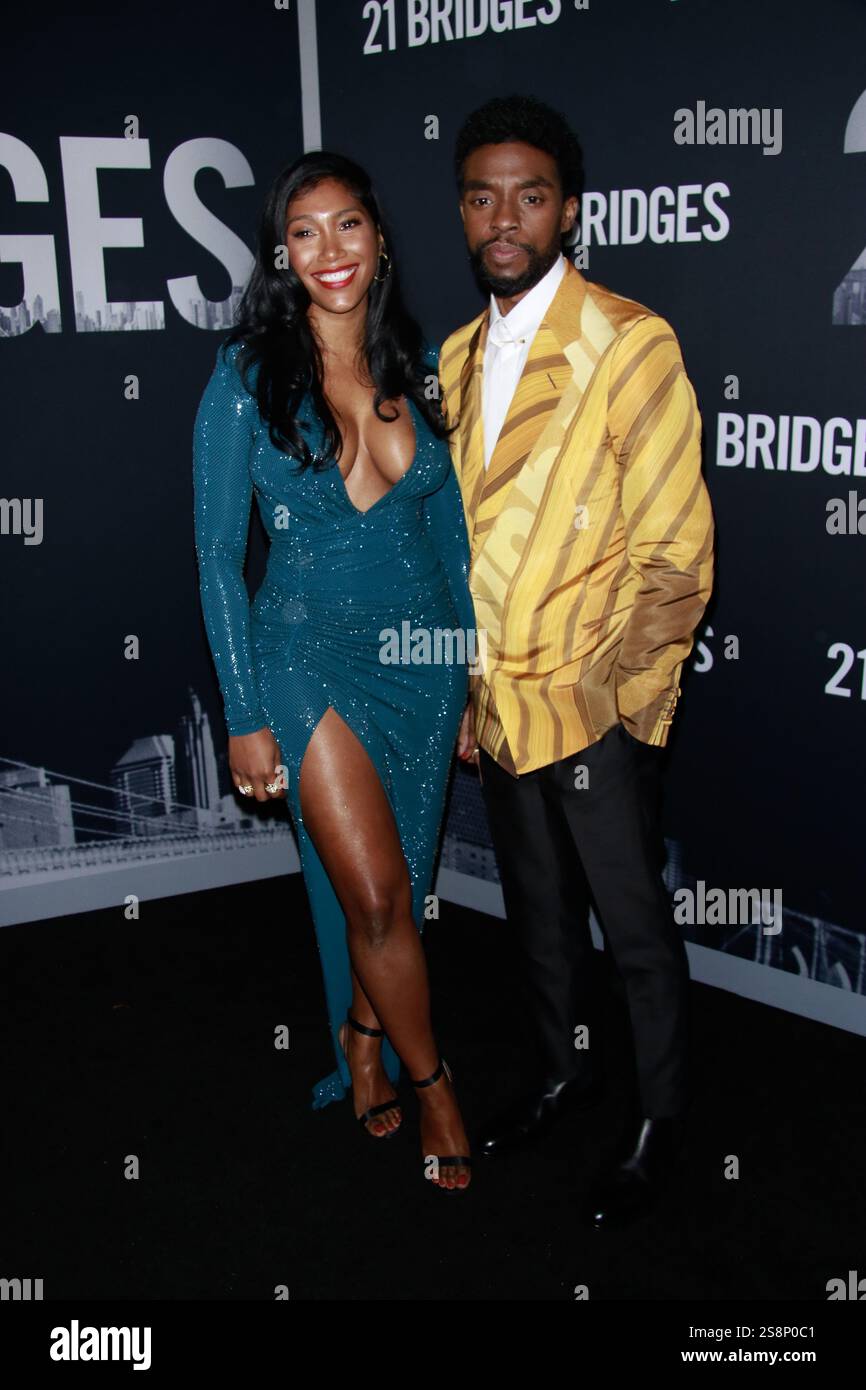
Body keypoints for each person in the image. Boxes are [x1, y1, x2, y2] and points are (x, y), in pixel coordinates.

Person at [442, 95, 715, 1225]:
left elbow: (674, 555)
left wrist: (615, 706)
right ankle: (562, 1070)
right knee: (538, 916)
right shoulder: (453, 355)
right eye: (481, 196)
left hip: (593, 708)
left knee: (633, 926)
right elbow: (456, 548)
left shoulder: (628, 339)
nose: (504, 217)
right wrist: (466, 686)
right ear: (462, 211)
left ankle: (660, 1117)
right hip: (499, 707)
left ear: (567, 208)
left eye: (530, 194)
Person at [193, 151, 474, 1191]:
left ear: (380, 238)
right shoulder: (244, 379)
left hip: (424, 660)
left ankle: (361, 1037)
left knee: (401, 881)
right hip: (303, 659)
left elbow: (448, 539)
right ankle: (434, 1078)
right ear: (282, 253)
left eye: (347, 225)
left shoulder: (417, 371)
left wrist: (471, 674)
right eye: (303, 231)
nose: (329, 251)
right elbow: (219, 555)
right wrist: (243, 711)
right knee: (376, 897)